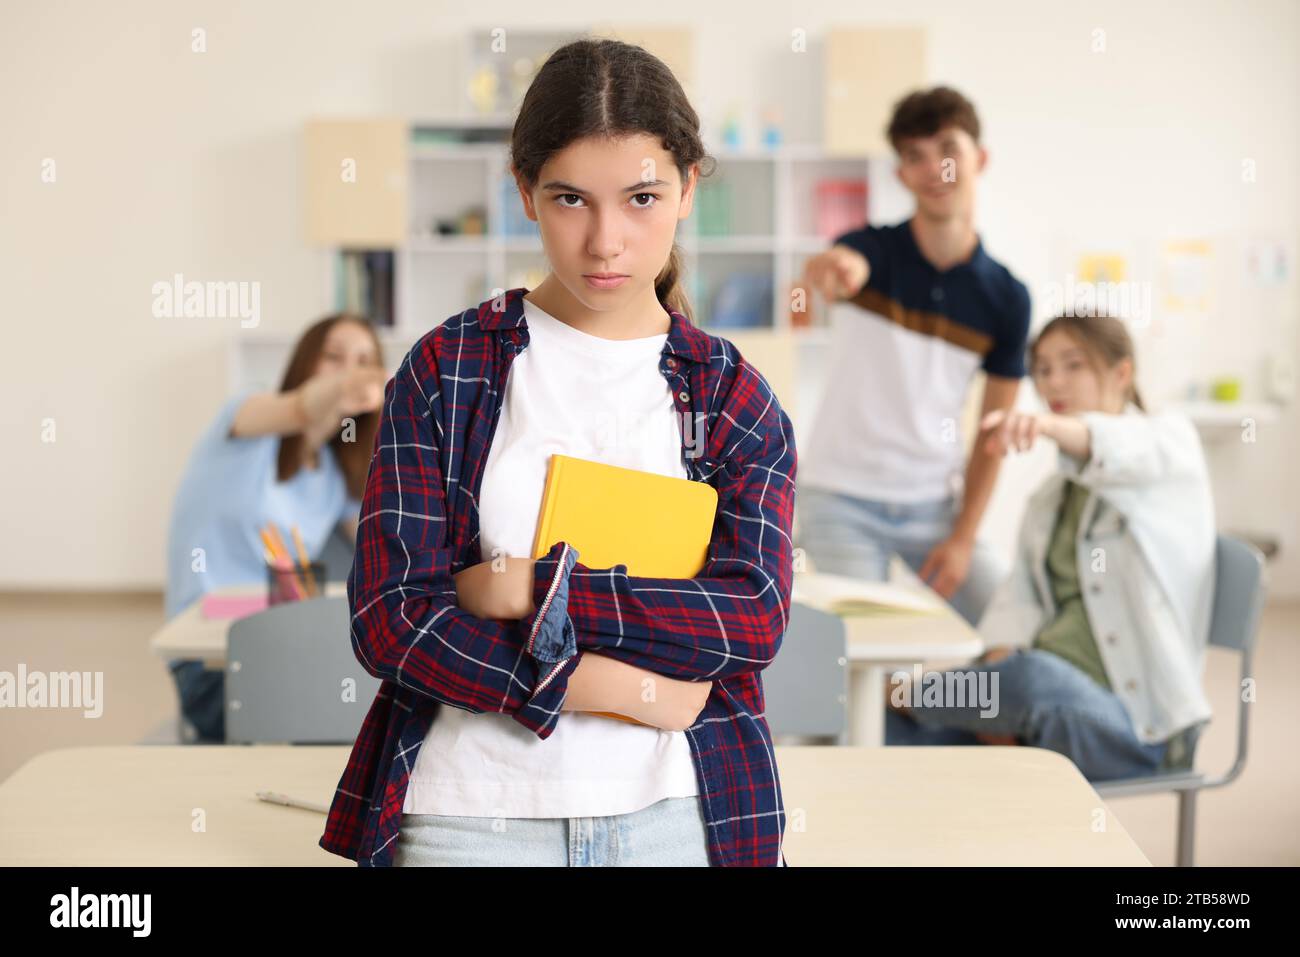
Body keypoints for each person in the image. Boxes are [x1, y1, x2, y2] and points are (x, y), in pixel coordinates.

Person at [319, 38, 796, 868]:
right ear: (524, 193)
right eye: (571, 198)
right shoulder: (446, 369)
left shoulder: (731, 397)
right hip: (470, 812)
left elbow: (751, 616)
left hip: (680, 813)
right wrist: (615, 685)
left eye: (642, 197)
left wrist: (528, 586)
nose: (606, 241)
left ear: (688, 187)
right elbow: (392, 620)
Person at [885, 314, 1216, 782]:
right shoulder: (1051, 498)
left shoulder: (1169, 446)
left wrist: (1045, 426)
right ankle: (910, 706)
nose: (1053, 382)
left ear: (1121, 374)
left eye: (1072, 365)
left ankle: (906, 692)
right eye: (1042, 369)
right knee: (888, 736)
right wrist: (995, 696)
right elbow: (1018, 597)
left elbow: (1117, 443)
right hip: (1041, 705)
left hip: (1136, 727)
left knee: (1030, 677)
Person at [796, 87, 1031, 625]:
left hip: (935, 509)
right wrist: (836, 269)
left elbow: (993, 434)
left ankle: (929, 711)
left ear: (980, 159)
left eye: (948, 147)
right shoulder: (871, 250)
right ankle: (894, 704)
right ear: (901, 175)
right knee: (860, 658)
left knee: (1012, 628)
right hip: (840, 501)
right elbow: (840, 262)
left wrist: (964, 538)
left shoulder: (1006, 299)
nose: (934, 168)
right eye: (914, 156)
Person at [164, 313, 386, 742]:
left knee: (370, 710)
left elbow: (381, 540)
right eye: (334, 357)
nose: (350, 371)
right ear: (305, 363)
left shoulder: (334, 479)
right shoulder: (247, 417)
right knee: (325, 726)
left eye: (363, 360)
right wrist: (354, 384)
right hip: (210, 657)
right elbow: (301, 407)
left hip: (281, 644)